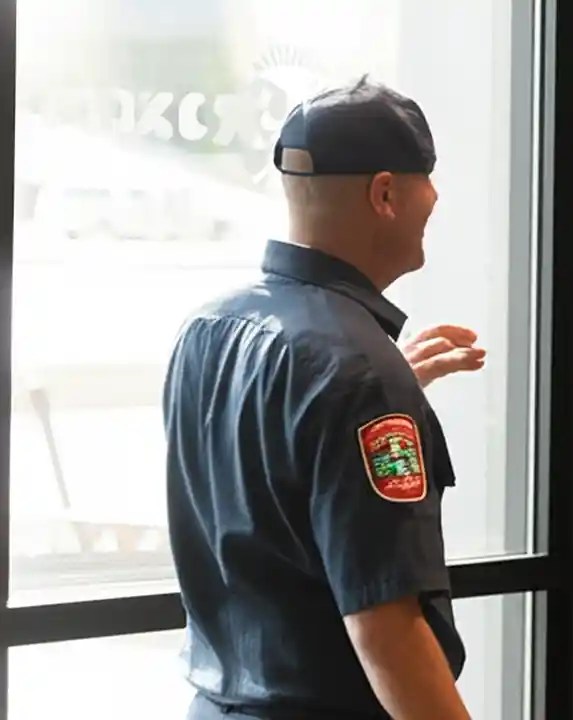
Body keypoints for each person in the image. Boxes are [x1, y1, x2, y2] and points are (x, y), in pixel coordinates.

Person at [164, 77, 484, 720]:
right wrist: (378, 392)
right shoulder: (360, 372)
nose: (436, 200)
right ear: (386, 193)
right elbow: (385, 629)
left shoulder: (207, 330)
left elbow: (274, 487)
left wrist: (387, 388)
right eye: (428, 179)